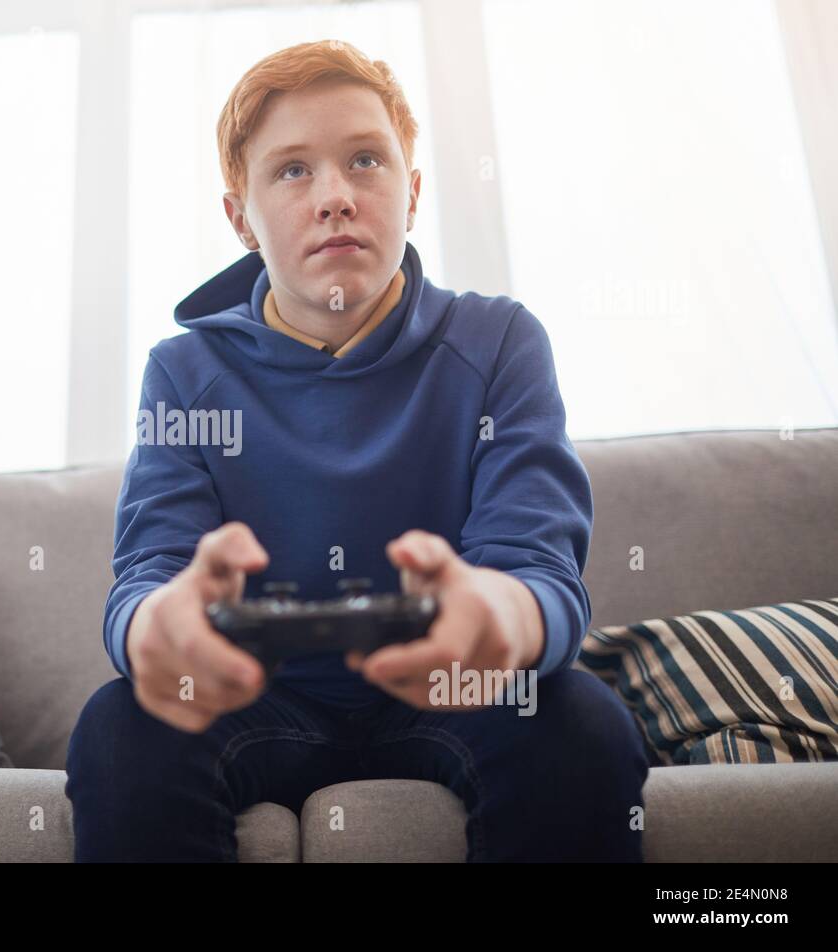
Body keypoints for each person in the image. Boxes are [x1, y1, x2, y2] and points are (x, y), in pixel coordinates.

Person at [65, 39, 648, 862]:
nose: (335, 197)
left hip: (455, 691)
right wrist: (156, 629)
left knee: (579, 719)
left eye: (365, 160)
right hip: (260, 701)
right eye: (293, 171)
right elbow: (150, 576)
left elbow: (538, 571)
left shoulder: (500, 341)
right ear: (241, 218)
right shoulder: (182, 371)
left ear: (410, 193)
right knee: (122, 727)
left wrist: (503, 618)